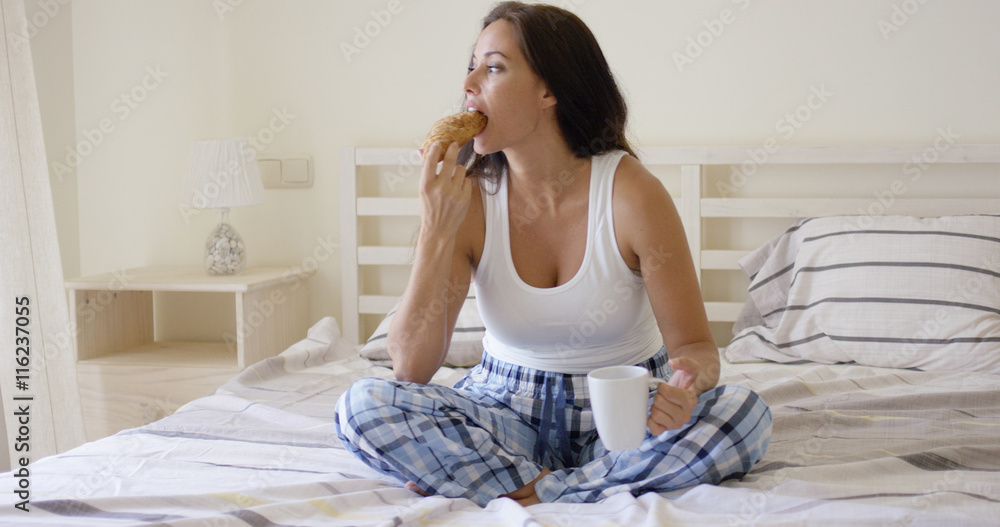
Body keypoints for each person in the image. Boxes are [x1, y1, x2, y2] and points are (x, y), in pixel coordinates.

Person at [335, 1, 771, 507]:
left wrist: (684, 390)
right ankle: (587, 486)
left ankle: (526, 489)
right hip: (503, 411)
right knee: (362, 405)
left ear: (549, 90)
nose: (470, 83)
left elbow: (696, 348)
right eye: (471, 66)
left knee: (744, 414)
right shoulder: (468, 200)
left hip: (623, 409)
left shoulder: (632, 194)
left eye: (494, 67)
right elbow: (410, 368)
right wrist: (436, 228)